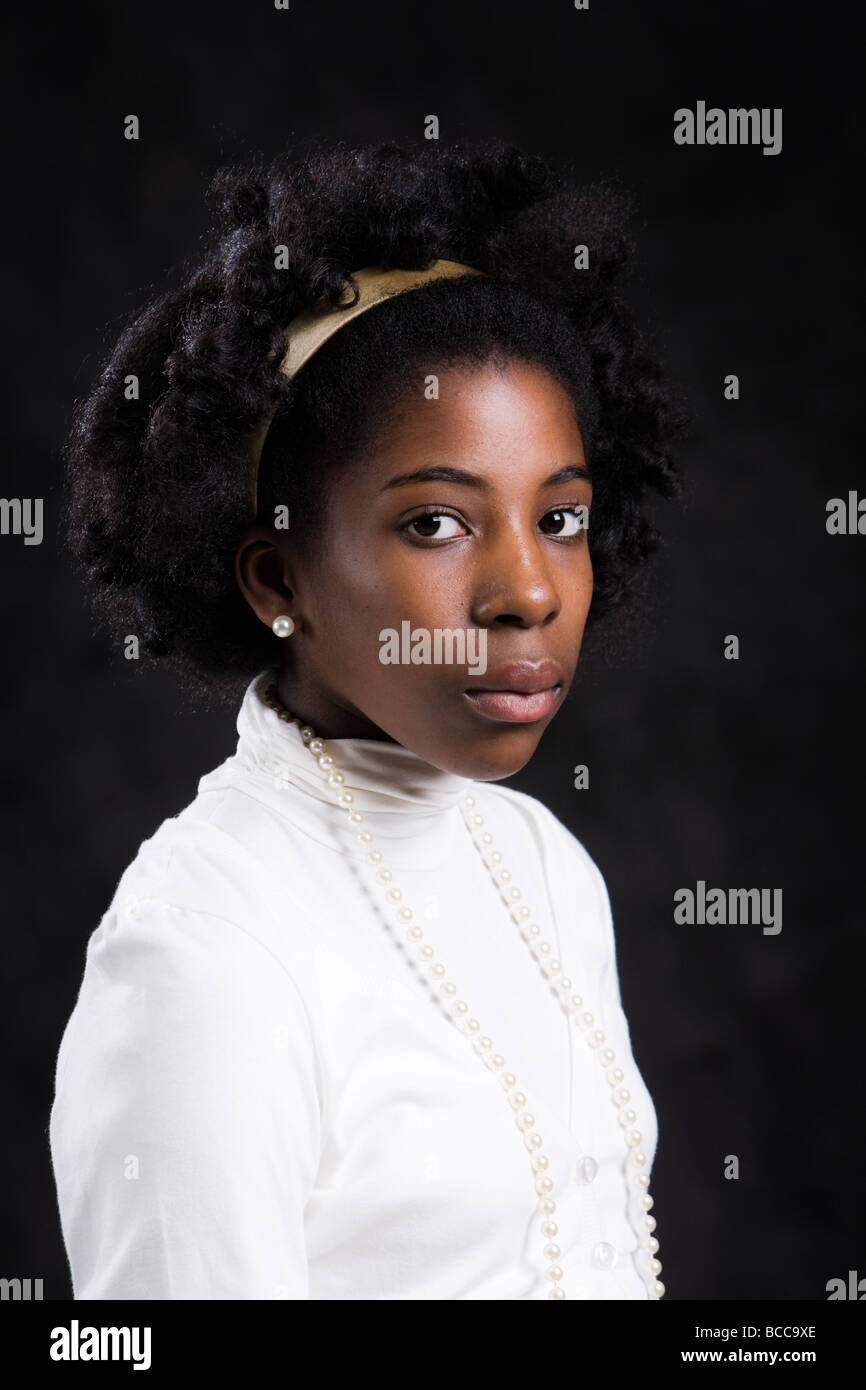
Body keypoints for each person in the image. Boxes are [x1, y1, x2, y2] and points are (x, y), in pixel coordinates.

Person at [49, 139, 684, 1300]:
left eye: (561, 518)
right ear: (276, 579)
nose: (529, 592)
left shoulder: (546, 866)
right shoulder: (206, 949)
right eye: (435, 523)